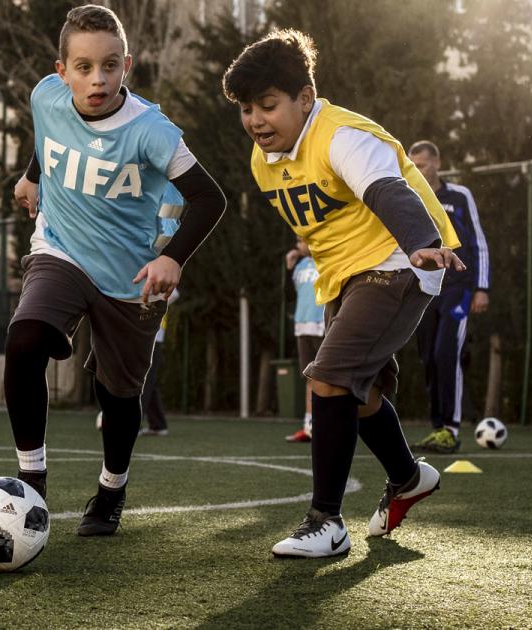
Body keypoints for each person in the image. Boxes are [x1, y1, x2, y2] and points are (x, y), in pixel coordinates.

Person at [223, 29, 465, 558]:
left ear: (305, 99)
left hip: (400, 262)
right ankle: (407, 477)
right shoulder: (263, 162)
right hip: (345, 274)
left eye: (267, 105)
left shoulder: (342, 135)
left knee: (329, 379)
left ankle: (326, 523)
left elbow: (385, 189)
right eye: (246, 109)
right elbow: (324, 218)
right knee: (359, 397)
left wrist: (422, 241)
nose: (256, 121)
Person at [9, 5, 226, 536]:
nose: (97, 79)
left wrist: (172, 256)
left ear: (126, 64)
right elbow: (47, 136)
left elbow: (209, 198)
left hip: (131, 277)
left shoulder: (153, 131)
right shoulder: (46, 96)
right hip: (59, 250)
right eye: (83, 67)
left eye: (109, 66)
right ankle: (31, 483)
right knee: (24, 341)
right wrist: (32, 175)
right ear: (62, 71)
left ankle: (111, 488)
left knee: (119, 394)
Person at [407, 141, 490, 454]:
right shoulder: (410, 198)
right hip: (424, 288)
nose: (418, 170)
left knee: (446, 353)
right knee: (428, 356)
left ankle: (452, 430)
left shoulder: (459, 195)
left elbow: (479, 243)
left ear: (437, 162)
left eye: (423, 164)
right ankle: (437, 428)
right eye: (412, 165)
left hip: (458, 287)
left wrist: (482, 288)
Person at [284, 236, 324, 442]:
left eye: (301, 240)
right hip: (302, 327)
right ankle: (309, 428)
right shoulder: (300, 265)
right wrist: (289, 268)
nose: (297, 244)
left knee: (328, 378)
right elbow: (289, 297)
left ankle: (330, 426)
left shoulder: (327, 258)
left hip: (323, 327)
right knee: (310, 378)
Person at [139, 287, 179, 437]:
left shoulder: (155, 272)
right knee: (149, 381)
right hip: (148, 335)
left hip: (150, 336)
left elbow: (174, 294)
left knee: (142, 380)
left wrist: (148, 305)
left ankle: (131, 424)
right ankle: (158, 424)